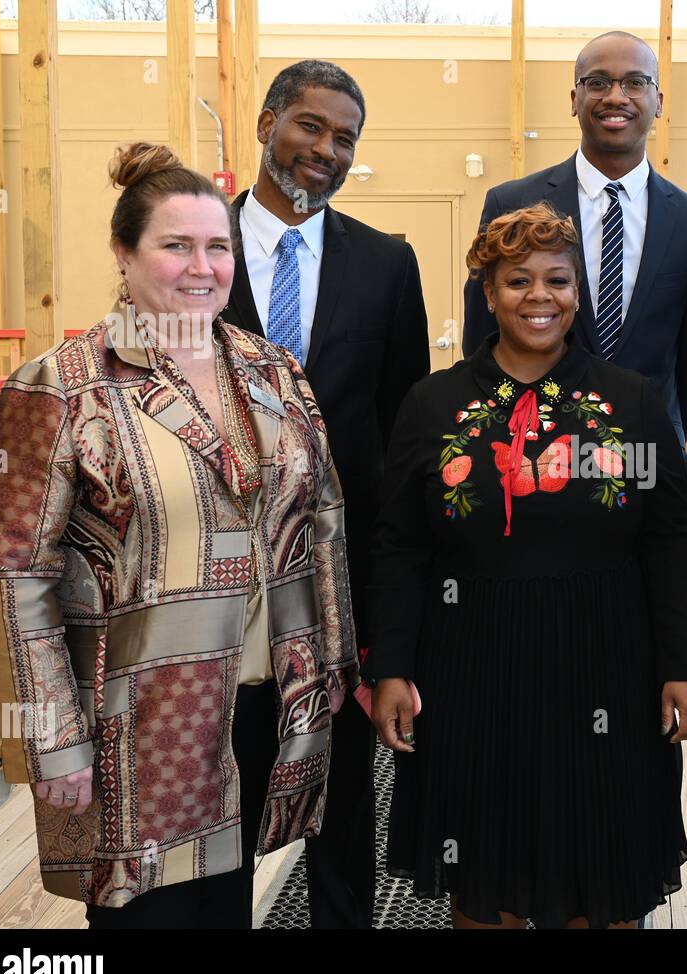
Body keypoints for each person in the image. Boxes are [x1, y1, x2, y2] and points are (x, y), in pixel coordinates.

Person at [0, 142, 357, 929]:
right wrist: (51, 740)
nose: (202, 267)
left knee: (226, 911)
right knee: (152, 921)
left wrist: (332, 671)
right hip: (134, 724)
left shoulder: (272, 370)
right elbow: (12, 576)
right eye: (175, 245)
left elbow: (323, 524)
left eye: (217, 246)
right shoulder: (61, 386)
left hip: (266, 707)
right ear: (124, 252)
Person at [365, 204, 687, 929]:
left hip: (608, 668)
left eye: (557, 279)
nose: (539, 296)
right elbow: (398, 544)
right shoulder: (432, 404)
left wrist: (686, 665)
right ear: (487, 293)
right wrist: (389, 666)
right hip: (467, 671)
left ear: (579, 292)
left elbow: (671, 541)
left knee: (602, 881)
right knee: (484, 886)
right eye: (517, 280)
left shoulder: (633, 401)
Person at [221, 60, 430, 929]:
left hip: (336, 587)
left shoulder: (386, 264)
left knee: (342, 802)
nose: (327, 150)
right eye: (311, 126)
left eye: (346, 139)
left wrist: (390, 618)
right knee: (217, 794)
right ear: (268, 121)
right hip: (217, 581)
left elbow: (403, 434)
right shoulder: (196, 245)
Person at [461, 31, 687, 449]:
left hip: (647, 454)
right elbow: (481, 337)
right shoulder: (510, 203)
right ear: (574, 99)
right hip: (530, 449)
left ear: (658, 102)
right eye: (598, 82)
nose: (615, 96)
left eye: (635, 82)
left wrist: (664, 434)